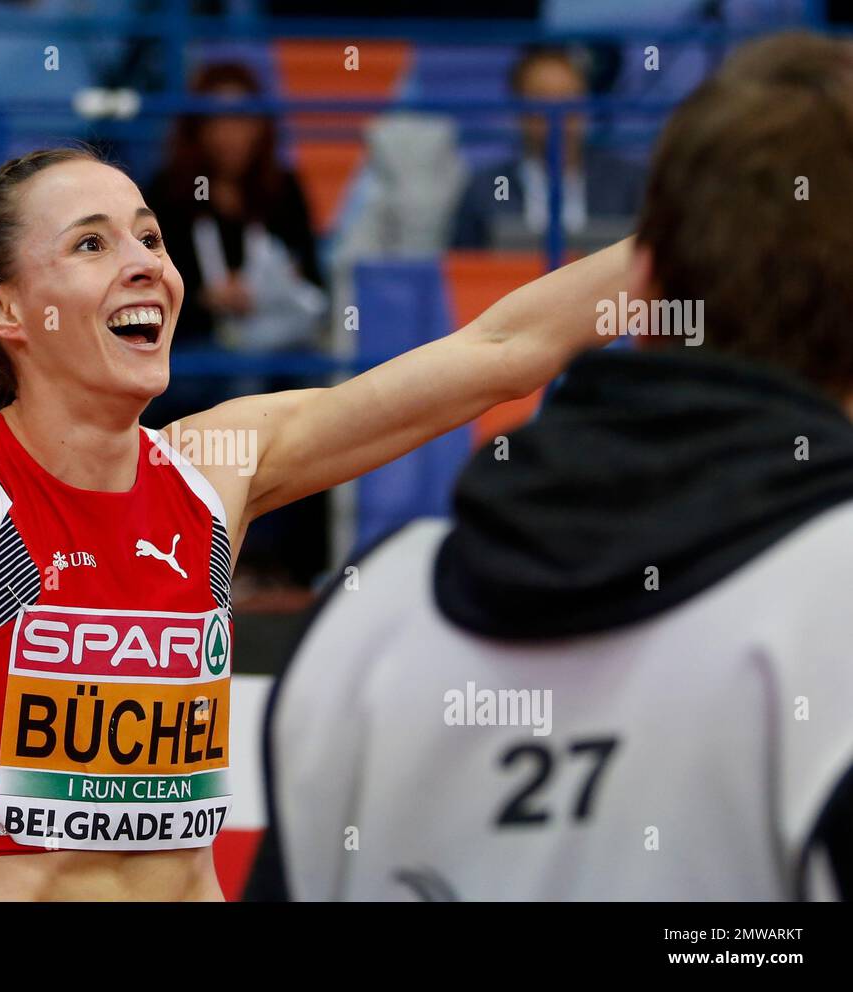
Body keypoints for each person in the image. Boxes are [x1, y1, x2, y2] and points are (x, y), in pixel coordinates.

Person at [0, 88, 630, 901]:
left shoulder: (218, 462)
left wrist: (695, 229)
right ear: (3, 308)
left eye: (148, 235)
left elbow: (502, 350)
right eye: (93, 244)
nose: (145, 262)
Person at [250, 32, 853, 902]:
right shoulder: (826, 609)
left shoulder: (366, 617)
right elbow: (504, 344)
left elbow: (505, 344)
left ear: (643, 277)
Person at [144, 60, 330, 590]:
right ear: (197, 130)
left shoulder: (283, 189)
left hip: (278, 342)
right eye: (218, 122)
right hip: (195, 343)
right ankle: (238, 556)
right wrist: (205, 299)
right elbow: (148, 288)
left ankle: (295, 564)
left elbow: (314, 282)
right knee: (238, 389)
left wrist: (280, 288)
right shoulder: (169, 192)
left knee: (316, 394)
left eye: (243, 120)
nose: (231, 135)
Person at [449, 45, 645, 252]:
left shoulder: (629, 184)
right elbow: (461, 268)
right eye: (542, 102)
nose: (557, 116)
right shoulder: (485, 190)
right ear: (518, 109)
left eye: (569, 100)